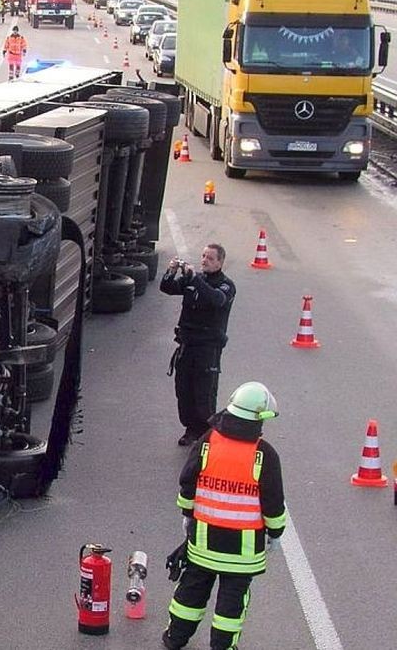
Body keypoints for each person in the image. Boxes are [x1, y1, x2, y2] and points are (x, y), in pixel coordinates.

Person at [162, 382, 287, 650]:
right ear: (257, 420)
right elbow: (274, 504)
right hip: (242, 552)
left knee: (191, 591)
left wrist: (188, 514)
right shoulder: (264, 455)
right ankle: (222, 646)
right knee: (231, 603)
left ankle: (175, 637)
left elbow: (188, 482)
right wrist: (276, 534)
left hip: (204, 543)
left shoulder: (207, 442)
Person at [160, 244, 236, 447]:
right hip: (187, 344)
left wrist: (194, 279)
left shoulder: (226, 285)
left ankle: (207, 432)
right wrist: (171, 271)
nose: (204, 261)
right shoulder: (196, 280)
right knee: (184, 390)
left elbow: (216, 300)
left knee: (204, 393)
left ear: (220, 262)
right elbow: (167, 288)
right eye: (203, 256)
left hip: (207, 349)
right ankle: (190, 429)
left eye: (210, 258)